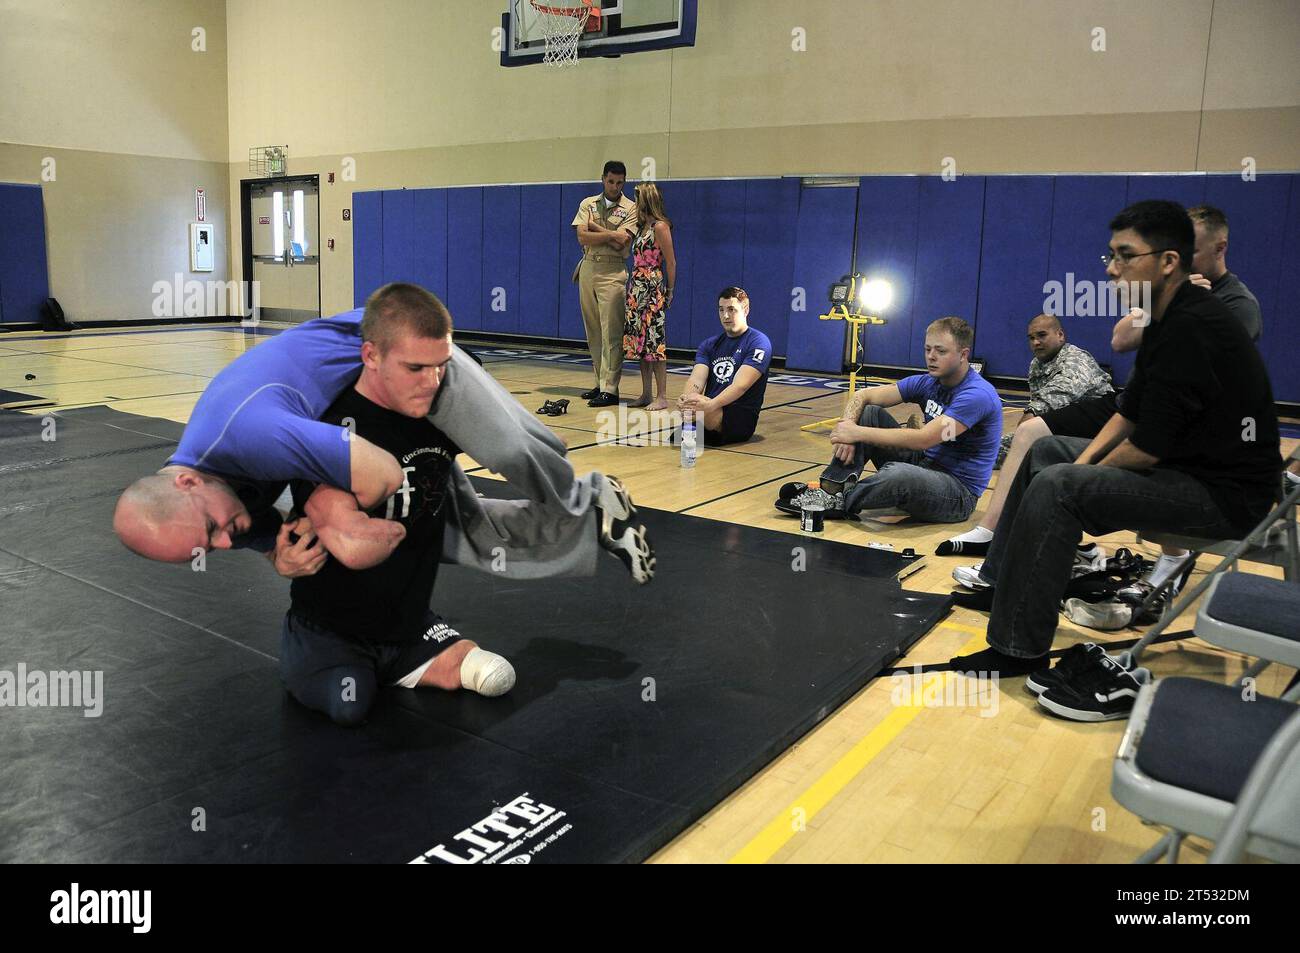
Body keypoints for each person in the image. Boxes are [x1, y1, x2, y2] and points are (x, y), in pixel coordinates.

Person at [949, 200, 1282, 721]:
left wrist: (1082, 478)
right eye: (1112, 254)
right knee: (1045, 450)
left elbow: (1148, 447)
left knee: (1060, 485)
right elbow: (1127, 415)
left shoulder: (1196, 326)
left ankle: (1017, 645)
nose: (1110, 268)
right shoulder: (1167, 319)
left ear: (1168, 261)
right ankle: (1001, 586)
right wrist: (1082, 463)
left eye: (1125, 255)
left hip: (1223, 495)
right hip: (1183, 469)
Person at [114, 283, 655, 586]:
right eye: (204, 550)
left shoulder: (250, 432)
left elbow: (380, 473)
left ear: (186, 482)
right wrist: (278, 554)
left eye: (212, 530)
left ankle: (585, 495)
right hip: (352, 411)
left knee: (511, 448)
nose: (223, 542)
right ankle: (592, 529)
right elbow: (263, 533)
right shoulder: (213, 500)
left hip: (397, 360)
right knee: (453, 531)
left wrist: (333, 517)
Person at [281, 303, 516, 725]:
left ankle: (405, 656)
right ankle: (321, 653)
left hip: (407, 618)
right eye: (414, 367)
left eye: (437, 368)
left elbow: (505, 432)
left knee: (496, 675)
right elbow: (342, 535)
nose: (429, 380)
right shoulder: (333, 423)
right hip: (329, 624)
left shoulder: (442, 413)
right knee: (349, 705)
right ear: (374, 359)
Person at [777, 317, 1001, 525]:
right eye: (927, 349)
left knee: (898, 474)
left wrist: (856, 433)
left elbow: (924, 439)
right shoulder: (928, 382)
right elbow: (862, 396)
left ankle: (842, 499)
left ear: (963, 355)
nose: (931, 356)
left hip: (957, 492)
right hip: (925, 464)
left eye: (940, 351)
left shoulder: (976, 395)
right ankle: (830, 488)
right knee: (869, 414)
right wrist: (847, 430)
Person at [936, 313, 1112, 555]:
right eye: (1031, 338)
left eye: (1042, 335)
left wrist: (1022, 436)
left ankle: (997, 528)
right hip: (1058, 428)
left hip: (1095, 436)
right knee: (995, 447)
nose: (1036, 342)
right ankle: (940, 450)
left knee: (1021, 451)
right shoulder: (1037, 364)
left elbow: (1044, 407)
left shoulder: (1075, 361)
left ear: (1060, 335)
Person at [573, 161, 639, 408]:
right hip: (588, 266)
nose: (614, 186)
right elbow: (582, 236)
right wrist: (612, 235)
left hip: (612, 271)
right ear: (603, 179)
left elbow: (623, 243)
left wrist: (598, 230)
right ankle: (600, 382)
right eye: (610, 181)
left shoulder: (632, 208)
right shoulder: (587, 203)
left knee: (611, 331)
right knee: (593, 330)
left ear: (624, 182)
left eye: (619, 182)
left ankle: (611, 388)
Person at [677, 288, 772, 446]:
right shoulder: (709, 344)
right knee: (692, 398)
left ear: (746, 310)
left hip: (739, 416)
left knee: (697, 404)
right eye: (721, 310)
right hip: (707, 410)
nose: (726, 316)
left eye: (731, 310)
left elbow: (740, 386)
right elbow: (696, 379)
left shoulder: (758, 342)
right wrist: (686, 399)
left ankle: (699, 423)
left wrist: (710, 405)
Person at [623, 183, 676, 411]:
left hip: (652, 287)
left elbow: (671, 261)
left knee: (655, 342)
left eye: (637, 199)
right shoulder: (641, 227)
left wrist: (670, 290)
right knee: (641, 344)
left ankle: (662, 395)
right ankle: (646, 393)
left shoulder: (660, 226)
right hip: (636, 288)